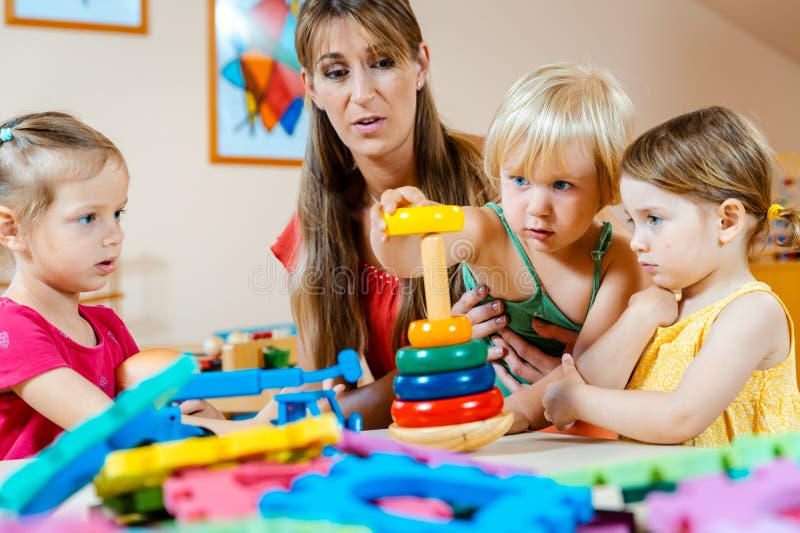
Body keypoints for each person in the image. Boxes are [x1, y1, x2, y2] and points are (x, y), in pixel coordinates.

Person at [267, 0, 502, 429]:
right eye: (337, 73)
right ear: (312, 88)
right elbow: (322, 404)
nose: (362, 94)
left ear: (420, 65)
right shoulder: (312, 227)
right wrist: (436, 356)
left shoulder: (497, 181)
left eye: (383, 61)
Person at [370, 63, 644, 399]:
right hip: (481, 424)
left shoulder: (619, 259)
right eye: (519, 180)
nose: (536, 207)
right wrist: (391, 224)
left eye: (561, 184)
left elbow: (591, 373)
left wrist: (531, 408)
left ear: (607, 186)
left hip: (570, 429)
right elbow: (407, 259)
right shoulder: (488, 231)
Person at [542, 106, 800, 446]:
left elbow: (680, 417)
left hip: (744, 497)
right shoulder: (662, 304)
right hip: (670, 495)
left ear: (727, 222)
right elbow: (591, 381)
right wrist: (641, 315)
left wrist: (576, 400)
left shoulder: (752, 311)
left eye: (654, 219)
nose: (636, 241)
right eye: (634, 221)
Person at [0, 112, 139, 459]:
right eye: (88, 218)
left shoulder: (108, 327)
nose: (115, 236)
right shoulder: (10, 330)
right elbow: (113, 427)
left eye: (118, 213)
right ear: (11, 229)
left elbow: (149, 405)